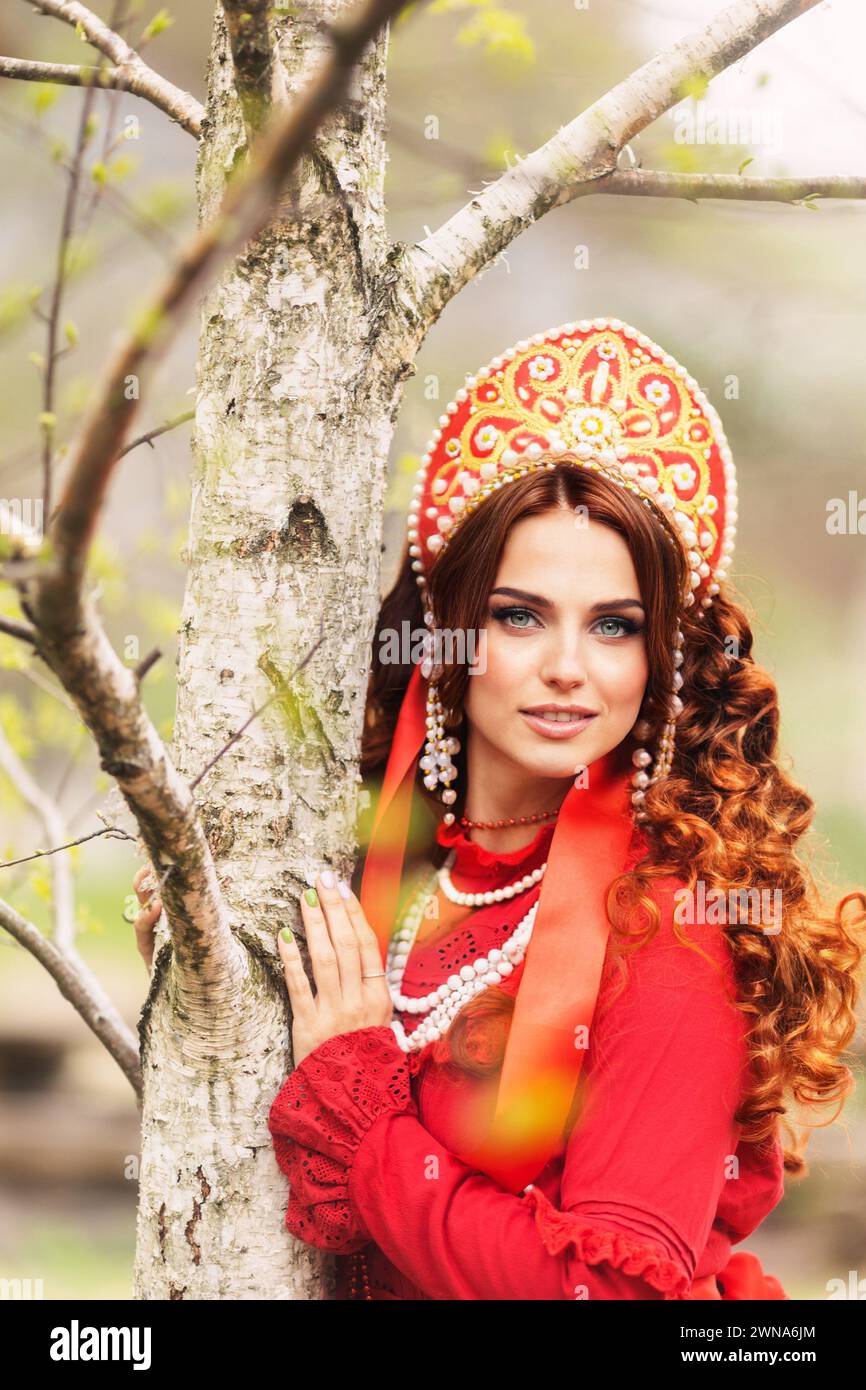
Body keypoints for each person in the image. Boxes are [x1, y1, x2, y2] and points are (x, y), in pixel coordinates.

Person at [131, 319, 865, 1300]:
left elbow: (607, 1294)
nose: (566, 666)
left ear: (656, 665)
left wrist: (364, 1115)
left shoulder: (670, 932)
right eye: (519, 615)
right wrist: (203, 987)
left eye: (613, 626)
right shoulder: (374, 875)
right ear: (448, 632)